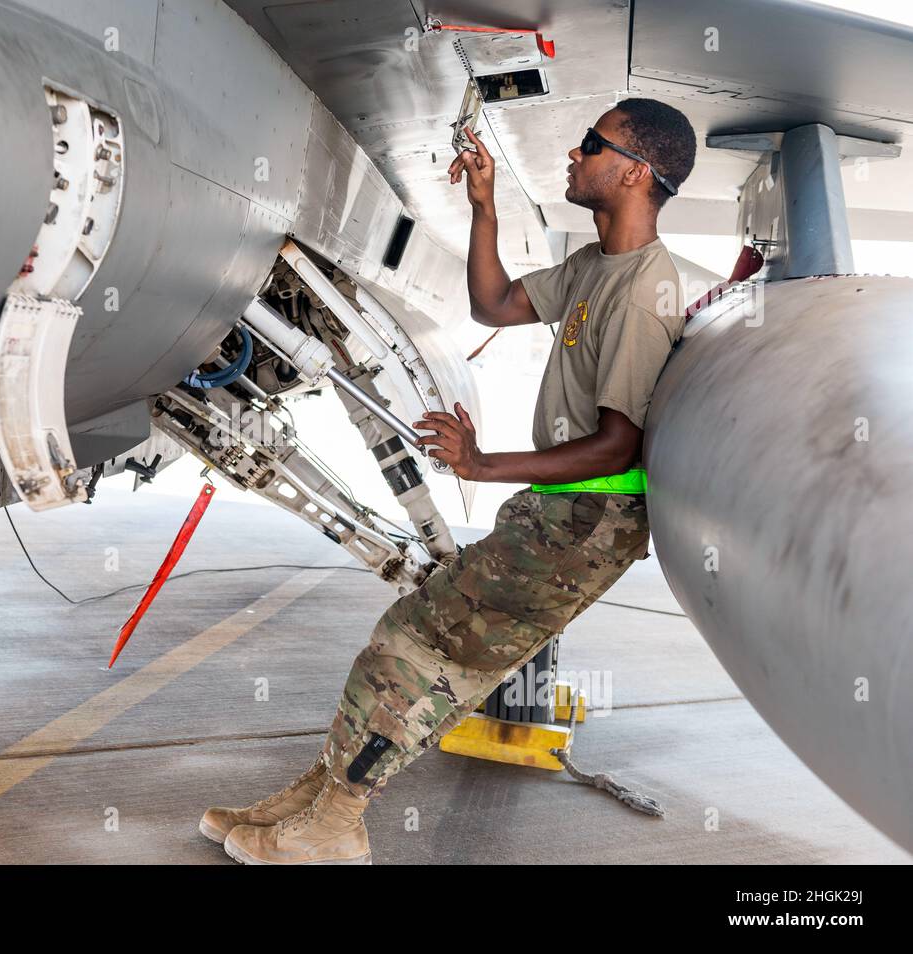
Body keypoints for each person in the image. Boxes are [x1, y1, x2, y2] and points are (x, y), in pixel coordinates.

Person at [200, 98, 698, 864]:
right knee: (420, 645)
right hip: (561, 516)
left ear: (635, 173)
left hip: (584, 521)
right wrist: (485, 206)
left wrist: (480, 465)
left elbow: (614, 445)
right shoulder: (597, 266)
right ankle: (325, 796)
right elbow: (493, 303)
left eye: (592, 144)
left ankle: (336, 819)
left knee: (415, 646)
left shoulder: (641, 291)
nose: (574, 153)